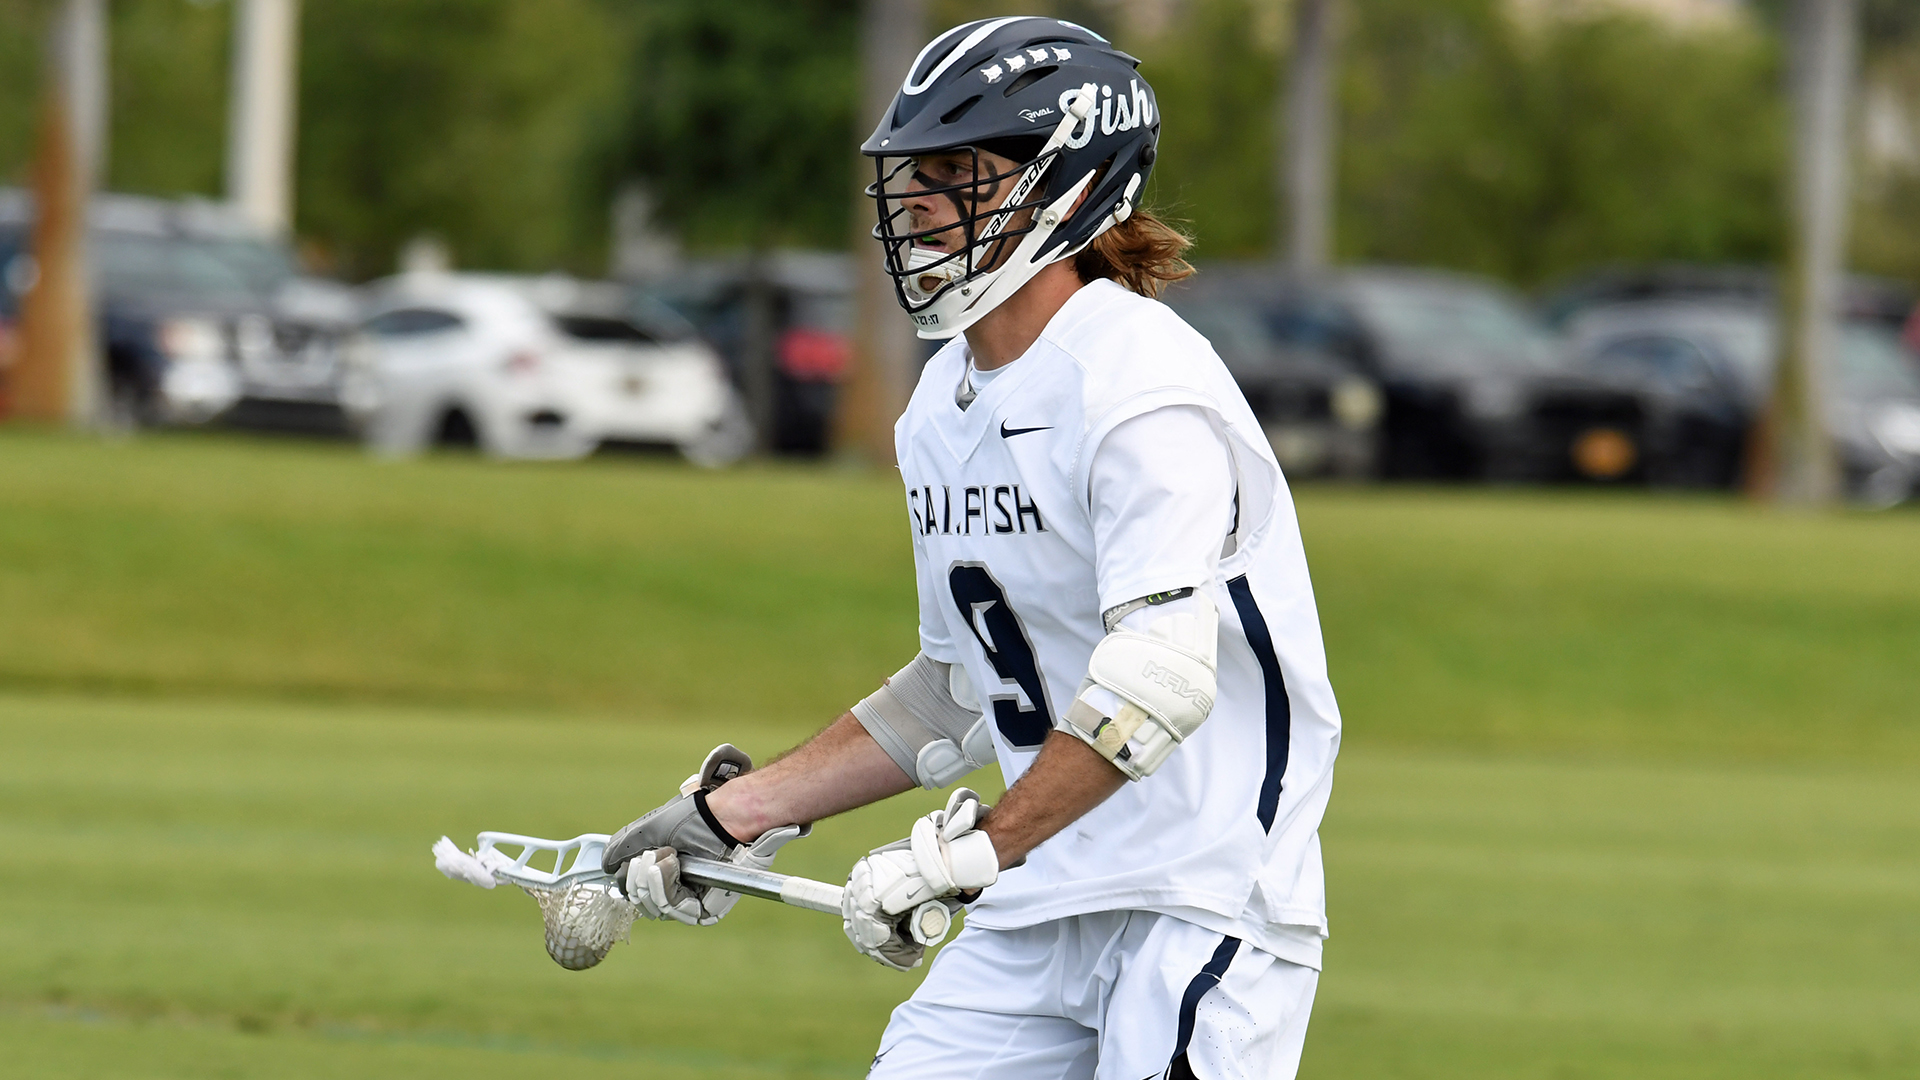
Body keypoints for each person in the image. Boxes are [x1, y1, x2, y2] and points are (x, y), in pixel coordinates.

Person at [601, 17, 1341, 1080]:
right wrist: (738, 812)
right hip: (1039, 900)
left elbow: (1159, 684)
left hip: (1198, 897)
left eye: (958, 173)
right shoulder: (941, 405)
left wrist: (977, 848)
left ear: (1067, 186)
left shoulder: (1139, 382)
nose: (919, 206)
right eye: (914, 175)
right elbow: (955, 694)